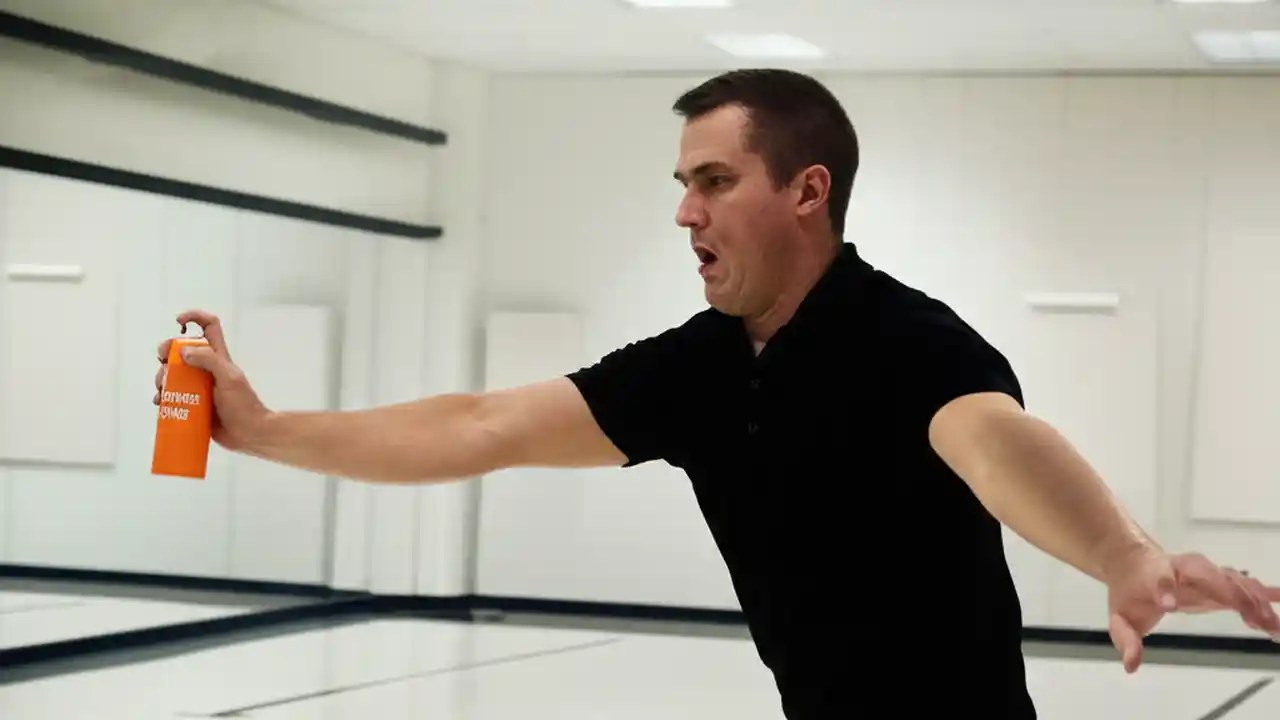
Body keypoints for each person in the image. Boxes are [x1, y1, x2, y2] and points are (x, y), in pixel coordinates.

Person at [156, 69, 1280, 718]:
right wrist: (263, 430)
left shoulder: (908, 341)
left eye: (713, 180)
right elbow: (480, 425)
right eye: (681, 184)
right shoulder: (695, 367)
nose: (684, 212)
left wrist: (1120, 553)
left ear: (807, 191)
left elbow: (996, 442)